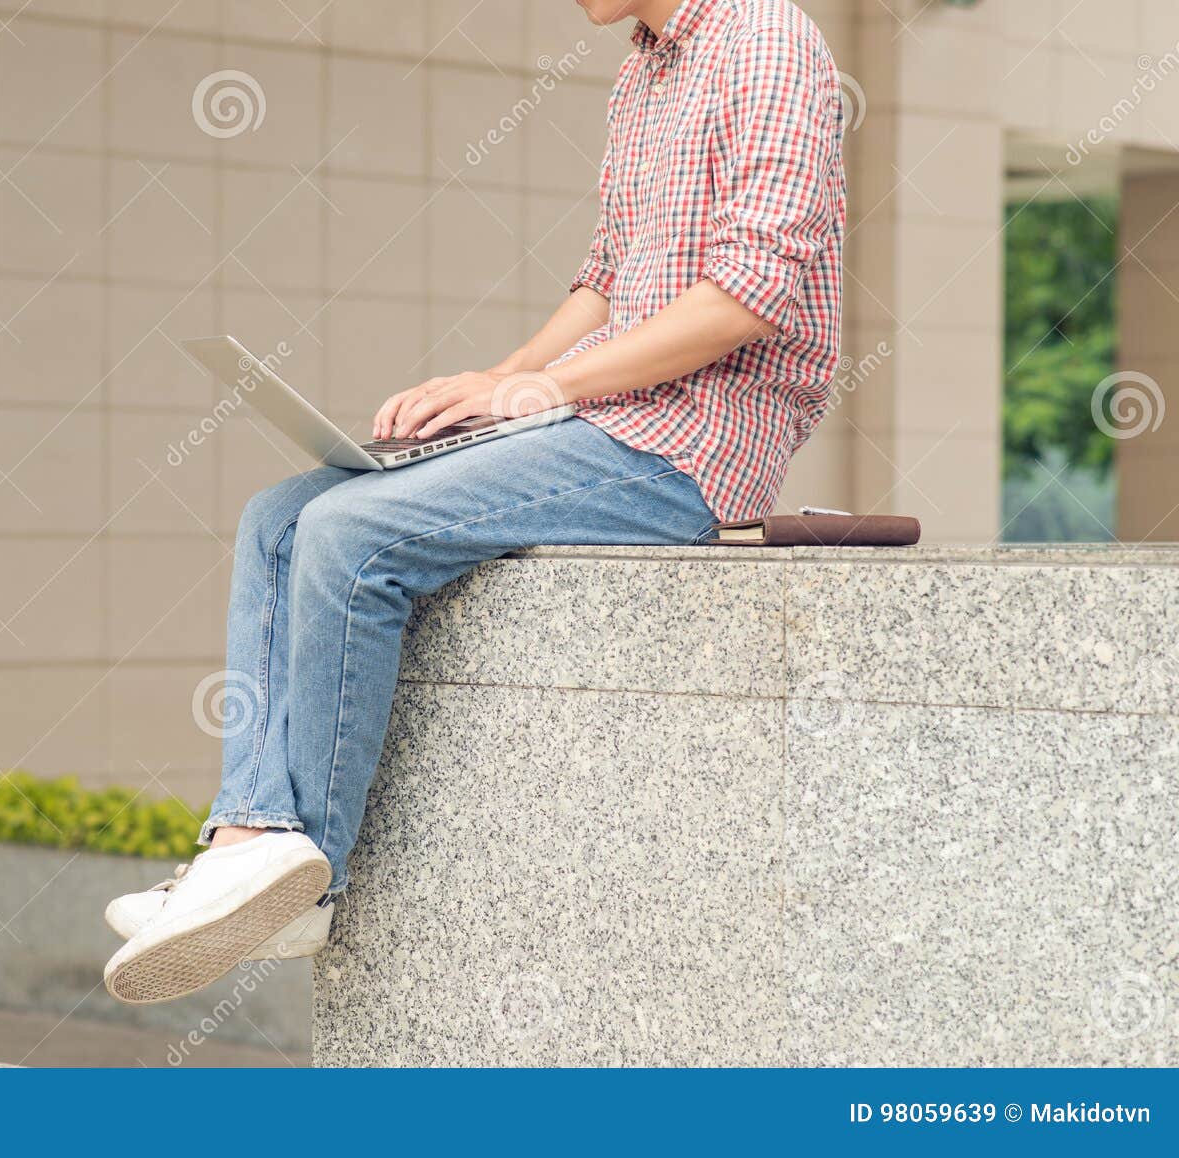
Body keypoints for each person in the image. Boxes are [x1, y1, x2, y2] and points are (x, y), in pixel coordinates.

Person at [104, 0, 845, 1004]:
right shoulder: (643, 70)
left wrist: (532, 395)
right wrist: (493, 382)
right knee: (278, 516)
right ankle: (246, 836)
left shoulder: (765, 39)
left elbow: (747, 295)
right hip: (602, 419)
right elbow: (606, 279)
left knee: (351, 533)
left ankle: (299, 867)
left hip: (694, 442)